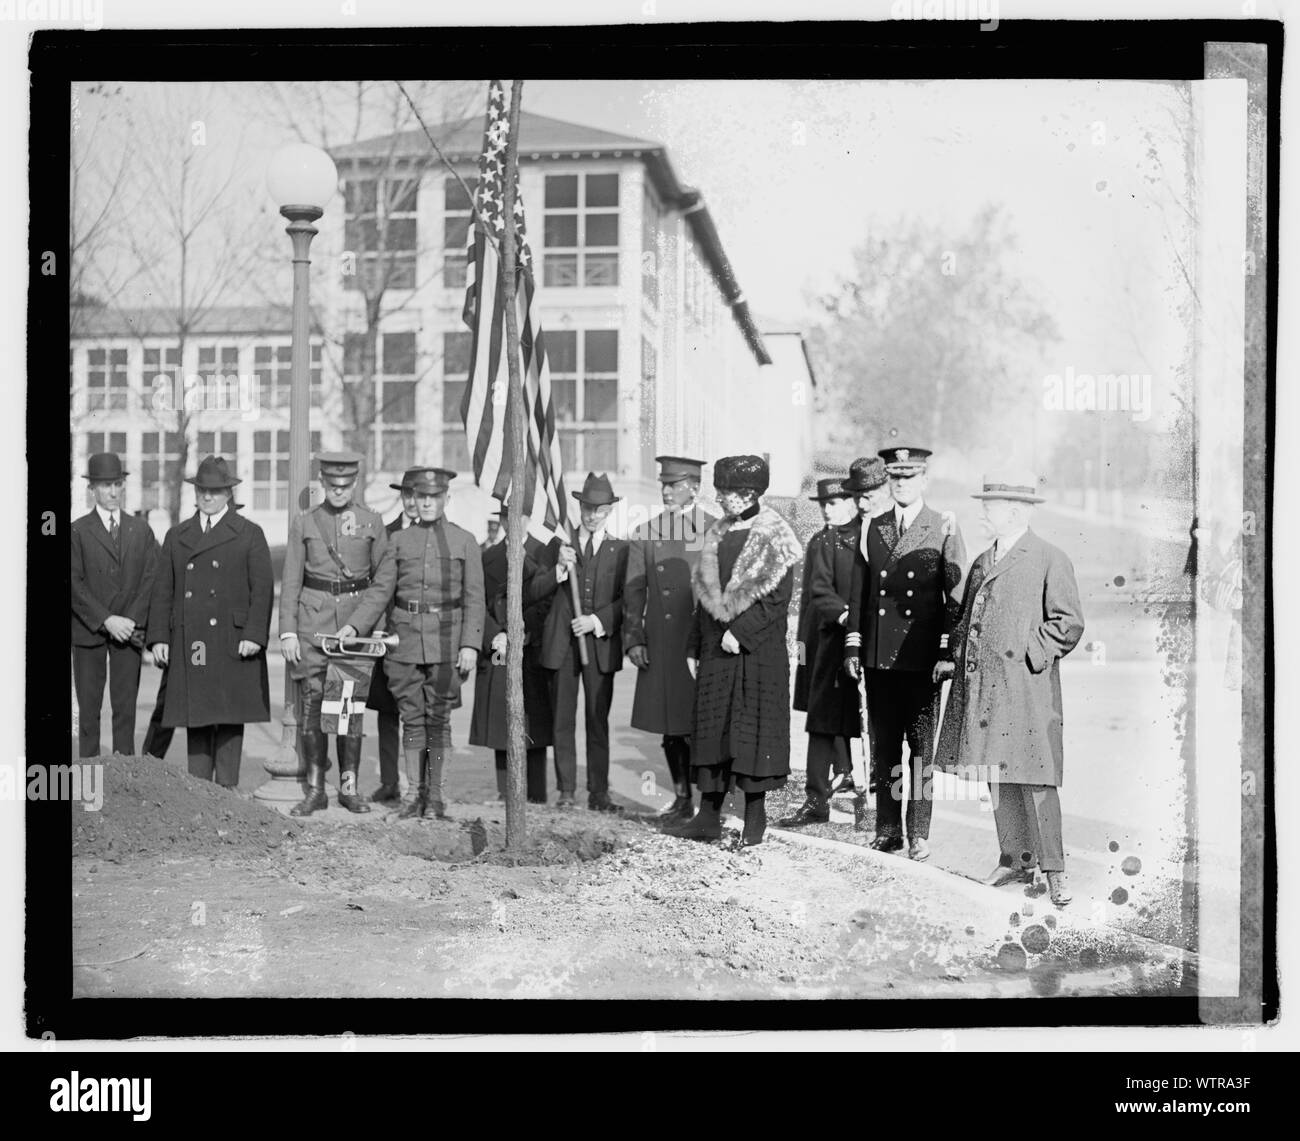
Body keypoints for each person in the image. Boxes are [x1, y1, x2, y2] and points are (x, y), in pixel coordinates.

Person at [934, 470, 1084, 906]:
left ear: (1016, 511)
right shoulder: (983, 560)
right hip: (986, 689)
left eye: (991, 507)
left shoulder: (1049, 558)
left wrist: (1029, 655)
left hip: (1028, 689)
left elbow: (1068, 622)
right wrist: (957, 658)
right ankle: (1015, 858)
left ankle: (1055, 871)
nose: (983, 513)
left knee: (1037, 777)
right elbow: (966, 619)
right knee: (996, 774)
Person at [667, 455, 801, 848]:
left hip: (757, 654)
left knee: (752, 733)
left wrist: (740, 633)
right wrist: (695, 643)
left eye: (728, 494)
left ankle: (754, 820)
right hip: (715, 649)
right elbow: (705, 595)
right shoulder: (718, 533)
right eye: (721, 493)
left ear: (750, 494)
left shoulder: (776, 534)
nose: (722, 500)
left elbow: (777, 599)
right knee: (712, 730)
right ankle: (707, 815)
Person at [844, 446, 966, 862]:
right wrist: (854, 643)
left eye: (909, 478)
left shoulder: (943, 525)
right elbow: (860, 591)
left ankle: (919, 834)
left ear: (924, 482)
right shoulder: (872, 527)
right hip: (880, 658)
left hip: (921, 659)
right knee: (885, 749)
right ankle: (887, 830)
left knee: (921, 752)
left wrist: (947, 650)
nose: (901, 485)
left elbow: (955, 596)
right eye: (895, 478)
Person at [340, 468, 484, 819]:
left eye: (435, 497)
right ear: (414, 500)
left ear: (446, 499)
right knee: (412, 719)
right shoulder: (399, 542)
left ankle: (435, 797)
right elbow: (380, 592)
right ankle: (413, 794)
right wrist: (354, 626)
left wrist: (470, 645)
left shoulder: (464, 541)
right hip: (404, 643)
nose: (428, 503)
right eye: (422, 497)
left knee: (440, 721)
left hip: (447, 643)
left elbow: (474, 598)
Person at [146, 456, 273, 788]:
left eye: (215, 491)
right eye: (203, 489)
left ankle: (227, 792)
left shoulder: (249, 533)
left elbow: (262, 591)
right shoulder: (178, 535)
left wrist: (255, 634)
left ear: (229, 493)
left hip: (233, 640)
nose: (208, 496)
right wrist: (159, 637)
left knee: (231, 717)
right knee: (197, 715)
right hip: (193, 639)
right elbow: (163, 590)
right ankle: (200, 792)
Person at [278, 451, 388, 816]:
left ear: (354, 484)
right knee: (312, 707)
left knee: (348, 709)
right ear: (322, 483)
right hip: (312, 625)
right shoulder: (306, 522)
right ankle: (315, 790)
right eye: (332, 485)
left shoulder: (372, 522)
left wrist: (360, 625)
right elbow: (291, 579)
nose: (338, 491)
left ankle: (348, 789)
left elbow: (383, 581)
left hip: (353, 628)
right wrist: (287, 632)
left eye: (345, 485)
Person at [623, 455, 719, 824]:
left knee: (703, 723)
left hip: (701, 641)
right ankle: (682, 798)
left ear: (694, 487)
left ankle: (709, 802)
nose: (665, 491)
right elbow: (634, 591)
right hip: (663, 643)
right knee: (671, 725)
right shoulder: (647, 532)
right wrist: (634, 640)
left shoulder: (713, 528)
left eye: (673, 485)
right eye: (663, 484)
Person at [532, 472, 629, 812]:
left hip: (599, 648)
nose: (592, 515)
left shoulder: (621, 549)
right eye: (587, 508)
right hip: (562, 648)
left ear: (609, 511)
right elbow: (534, 591)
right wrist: (559, 569)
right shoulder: (559, 545)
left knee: (596, 720)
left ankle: (599, 793)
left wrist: (597, 621)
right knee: (563, 721)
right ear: (580, 507)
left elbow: (626, 601)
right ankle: (567, 791)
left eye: (599, 510)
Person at [784, 476, 862, 826]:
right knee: (823, 719)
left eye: (833, 503)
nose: (827, 510)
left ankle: (857, 786)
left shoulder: (870, 536)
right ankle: (817, 797)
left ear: (852, 502)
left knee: (856, 718)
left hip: (864, 644)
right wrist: (847, 617)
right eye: (823, 505)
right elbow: (818, 592)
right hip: (828, 642)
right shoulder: (822, 542)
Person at [71, 452, 159, 757]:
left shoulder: (141, 530)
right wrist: (107, 619)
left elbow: (151, 578)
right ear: (92, 489)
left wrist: (129, 620)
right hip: (89, 632)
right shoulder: (78, 531)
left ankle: (126, 785)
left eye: (117, 484)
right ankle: (90, 786)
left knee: (125, 711)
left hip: (129, 632)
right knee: (89, 712)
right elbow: (73, 584)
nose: (112, 491)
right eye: (105, 485)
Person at [468, 501, 555, 803]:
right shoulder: (488, 555)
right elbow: (477, 600)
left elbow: (547, 603)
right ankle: (506, 793)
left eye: (518, 515)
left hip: (531, 647)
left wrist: (520, 633)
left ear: (528, 518)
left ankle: (536, 796)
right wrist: (497, 635)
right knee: (500, 722)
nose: (512, 522)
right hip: (498, 649)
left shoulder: (543, 553)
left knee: (534, 725)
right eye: (506, 516)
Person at [364, 466, 423, 803]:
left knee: (423, 715)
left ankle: (424, 784)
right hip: (388, 639)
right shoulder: (384, 536)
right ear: (401, 497)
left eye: (418, 495)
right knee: (388, 714)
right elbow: (376, 586)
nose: (412, 502)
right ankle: (390, 782)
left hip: (423, 638)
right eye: (407, 494)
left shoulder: (437, 536)